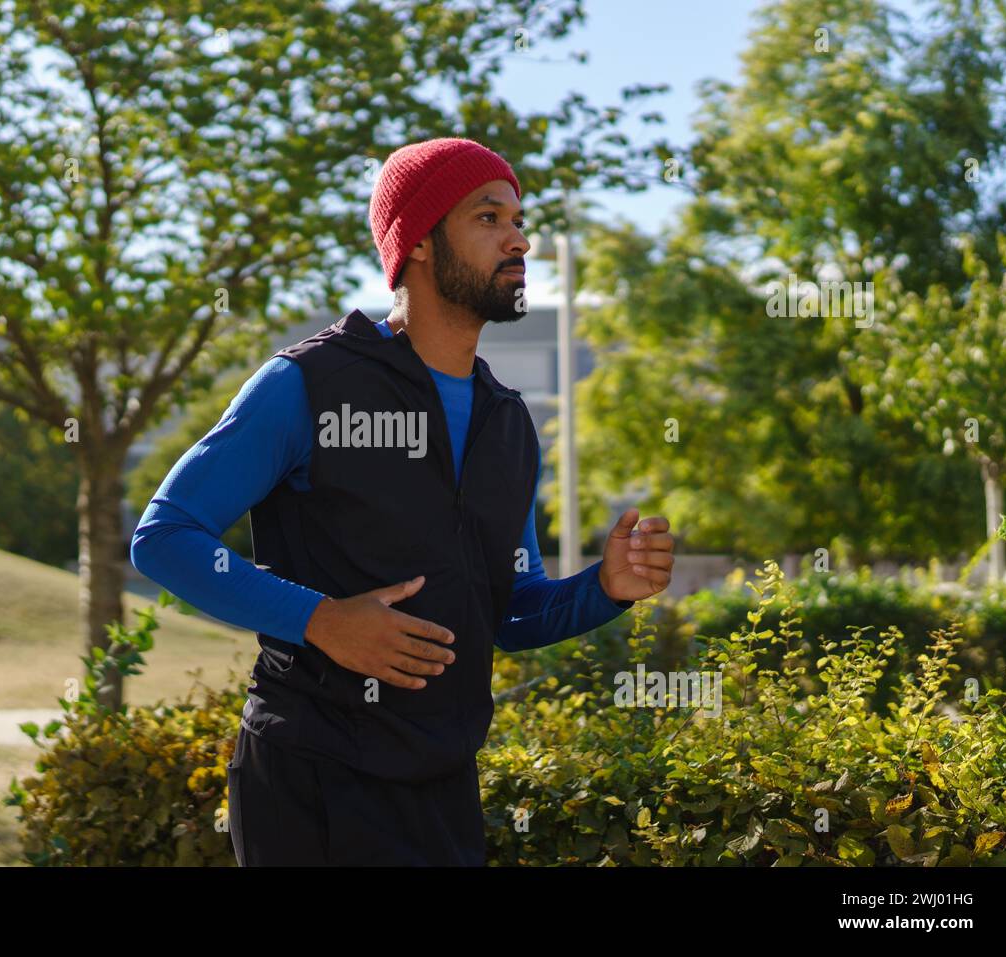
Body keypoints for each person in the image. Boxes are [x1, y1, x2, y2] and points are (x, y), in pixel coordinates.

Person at [130, 136, 675, 866]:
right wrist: (320, 619)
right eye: (488, 217)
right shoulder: (308, 384)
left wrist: (604, 590)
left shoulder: (508, 422)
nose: (519, 238)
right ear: (417, 242)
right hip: (312, 780)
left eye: (519, 218)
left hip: (443, 790)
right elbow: (166, 536)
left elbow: (508, 612)